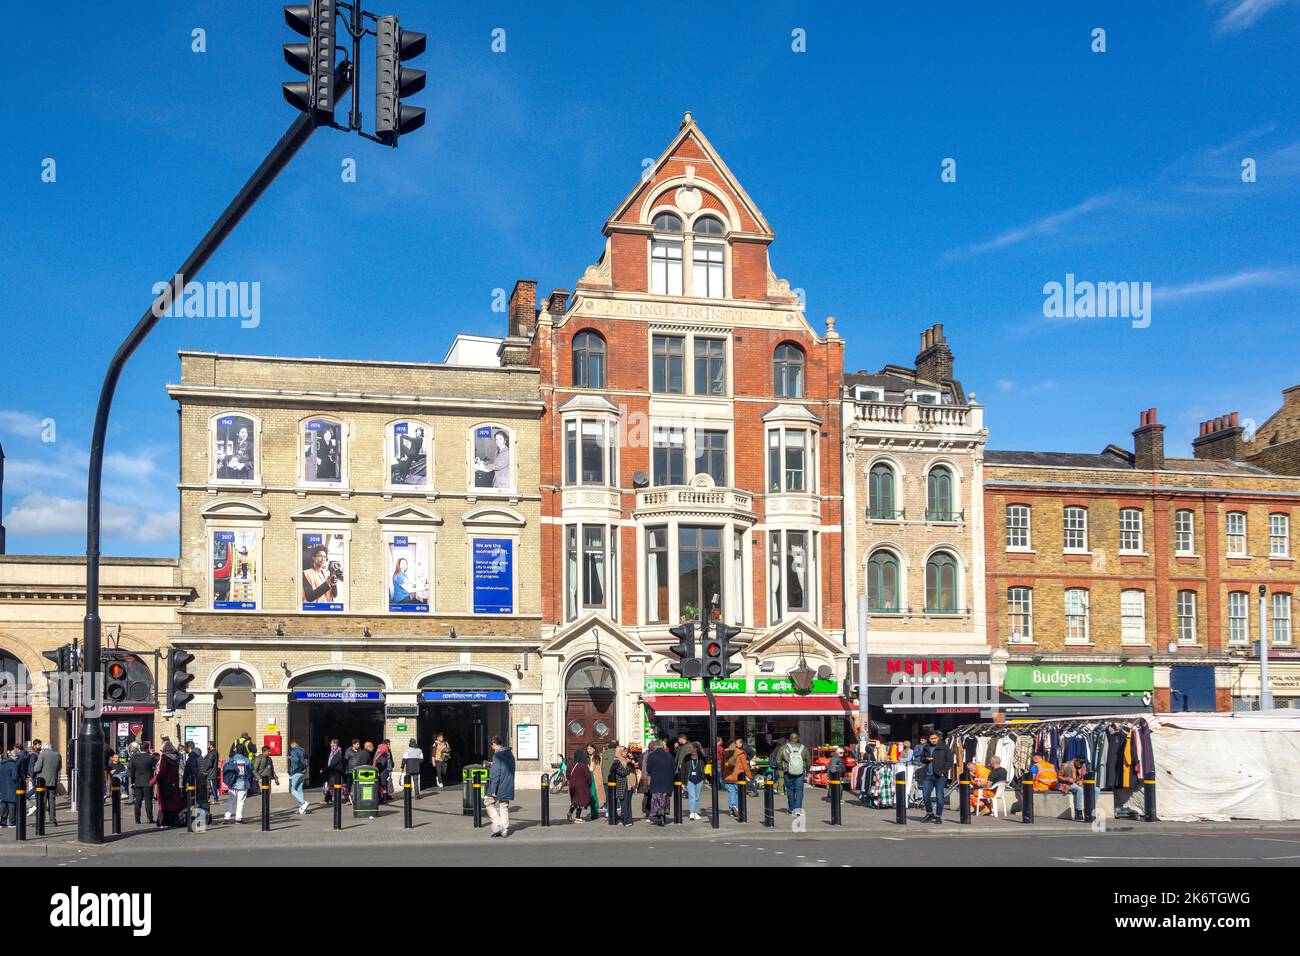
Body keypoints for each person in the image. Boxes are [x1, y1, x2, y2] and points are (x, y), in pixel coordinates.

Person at [918, 731, 952, 825]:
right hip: (928, 775)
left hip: (939, 776)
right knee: (925, 796)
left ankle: (938, 816)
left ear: (938, 738)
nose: (933, 740)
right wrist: (926, 759)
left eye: (935, 738)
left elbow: (949, 761)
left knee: (939, 797)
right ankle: (929, 813)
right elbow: (921, 759)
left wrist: (942, 772)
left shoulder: (944, 747)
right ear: (929, 739)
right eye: (931, 739)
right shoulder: (926, 747)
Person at [774, 732, 812, 816]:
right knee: (799, 791)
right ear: (797, 738)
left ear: (790, 739)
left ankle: (791, 809)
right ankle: (798, 809)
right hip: (800, 772)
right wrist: (808, 770)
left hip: (788, 772)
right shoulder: (803, 748)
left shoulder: (784, 748)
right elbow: (808, 760)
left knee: (790, 790)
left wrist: (782, 768)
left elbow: (778, 760)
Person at [484, 735, 515, 838]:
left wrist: (493, 789)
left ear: (495, 744)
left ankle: (498, 824)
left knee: (488, 802)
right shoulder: (509, 754)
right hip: (508, 784)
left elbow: (496, 773)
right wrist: (493, 764)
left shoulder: (497, 755)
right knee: (504, 806)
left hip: (499, 785)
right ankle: (505, 829)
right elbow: (504, 767)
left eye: (492, 745)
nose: (492, 747)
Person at [151, 741, 185, 829]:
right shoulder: (177, 757)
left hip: (165, 784)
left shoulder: (165, 758)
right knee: (174, 803)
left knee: (164, 804)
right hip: (175, 783)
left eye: (162, 750)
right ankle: (175, 821)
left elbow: (162, 772)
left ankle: (164, 822)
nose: (161, 752)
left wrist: (153, 780)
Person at [646, 738, 676, 826]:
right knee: (665, 799)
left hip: (656, 781)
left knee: (656, 799)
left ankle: (658, 816)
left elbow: (649, 769)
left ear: (655, 747)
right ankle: (663, 815)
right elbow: (674, 768)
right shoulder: (669, 755)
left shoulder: (651, 756)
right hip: (667, 782)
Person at [31, 741, 61, 825]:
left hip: (42, 782)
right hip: (53, 781)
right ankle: (53, 820)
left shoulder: (42, 755)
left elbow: (36, 768)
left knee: (42, 802)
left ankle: (41, 819)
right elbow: (59, 767)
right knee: (52, 801)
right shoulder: (57, 755)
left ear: (44, 748)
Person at [607, 745, 636, 826]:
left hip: (629, 784)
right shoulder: (616, 762)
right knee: (624, 804)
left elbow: (633, 770)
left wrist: (631, 761)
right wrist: (629, 765)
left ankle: (629, 820)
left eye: (626, 751)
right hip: (622, 785)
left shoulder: (627, 760)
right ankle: (626, 820)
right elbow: (622, 772)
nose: (626, 753)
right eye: (624, 751)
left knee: (628, 803)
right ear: (619, 752)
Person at [222, 748, 252, 823]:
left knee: (230, 801)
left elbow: (223, 769)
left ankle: (227, 817)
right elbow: (251, 768)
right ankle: (238, 819)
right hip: (243, 783)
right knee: (240, 802)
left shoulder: (230, 760)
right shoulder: (246, 760)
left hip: (232, 783)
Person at [722, 738, 751, 818]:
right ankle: (736, 807)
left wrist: (722, 776)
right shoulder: (740, 753)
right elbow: (745, 766)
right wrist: (749, 776)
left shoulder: (725, 753)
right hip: (738, 777)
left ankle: (732, 809)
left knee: (731, 793)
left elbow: (722, 766)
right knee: (738, 793)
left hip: (728, 776)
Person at [128, 741, 155, 825]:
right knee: (148, 801)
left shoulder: (135, 757)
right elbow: (155, 766)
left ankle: (137, 819)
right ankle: (149, 818)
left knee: (138, 801)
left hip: (138, 782)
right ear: (147, 749)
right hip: (148, 782)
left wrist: (132, 781)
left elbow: (132, 771)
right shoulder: (150, 758)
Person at [182, 742, 209, 824]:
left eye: (185, 748)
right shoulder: (201, 757)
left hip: (194, 782)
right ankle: (205, 817)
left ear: (188, 748)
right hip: (203, 782)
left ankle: (197, 820)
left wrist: (184, 782)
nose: (184, 749)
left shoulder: (191, 758)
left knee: (194, 801)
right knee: (202, 801)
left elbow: (188, 772)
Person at [681, 742, 706, 820]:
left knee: (697, 797)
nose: (689, 749)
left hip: (699, 779)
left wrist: (705, 779)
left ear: (696, 749)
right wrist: (683, 782)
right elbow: (683, 770)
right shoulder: (687, 758)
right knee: (692, 796)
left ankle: (695, 812)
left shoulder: (701, 758)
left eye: (691, 748)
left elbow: (705, 767)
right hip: (689, 779)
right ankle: (692, 812)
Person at [1057, 757, 1087, 821]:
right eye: (1078, 764)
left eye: (1081, 764)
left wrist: (1081, 781)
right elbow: (1059, 776)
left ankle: (1090, 810)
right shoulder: (1066, 765)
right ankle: (1078, 812)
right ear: (1075, 761)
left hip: (1078, 784)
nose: (1080, 766)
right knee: (1080, 790)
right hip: (1068, 784)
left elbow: (1084, 776)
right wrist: (1067, 779)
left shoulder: (1083, 766)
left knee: (1096, 789)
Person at [566, 748, 591, 823]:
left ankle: (570, 812)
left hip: (572, 785)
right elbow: (588, 776)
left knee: (575, 800)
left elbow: (567, 775)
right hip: (582, 785)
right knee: (580, 801)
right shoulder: (583, 765)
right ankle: (577, 817)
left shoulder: (570, 764)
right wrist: (589, 783)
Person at [287, 739, 309, 814]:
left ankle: (303, 803)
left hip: (296, 772)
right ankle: (302, 809)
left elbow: (296, 760)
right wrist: (305, 768)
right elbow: (306, 759)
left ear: (293, 744)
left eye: (291, 745)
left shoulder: (293, 751)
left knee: (292, 790)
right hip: (302, 773)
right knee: (300, 790)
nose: (291, 747)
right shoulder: (303, 750)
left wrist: (301, 767)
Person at [323, 739, 346, 804]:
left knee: (339, 786)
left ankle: (347, 798)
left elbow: (333, 764)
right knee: (331, 786)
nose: (330, 744)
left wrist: (325, 769)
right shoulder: (332, 752)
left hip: (336, 773)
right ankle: (327, 799)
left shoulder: (338, 754)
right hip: (333, 773)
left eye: (331, 743)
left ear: (335, 744)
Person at [0, 748, 18, 828]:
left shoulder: (2, 763)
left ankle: (2, 822)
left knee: (4, 804)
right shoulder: (14, 765)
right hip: (11, 786)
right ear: (14, 756)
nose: (17, 758)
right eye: (17, 756)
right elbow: (14, 777)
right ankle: (12, 822)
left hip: (3, 786)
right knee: (12, 804)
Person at [584, 742, 602, 815]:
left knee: (594, 794)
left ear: (594, 749)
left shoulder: (598, 757)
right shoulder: (586, 757)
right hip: (588, 776)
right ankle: (593, 811)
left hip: (595, 777)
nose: (589, 750)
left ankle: (594, 812)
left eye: (590, 748)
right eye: (588, 748)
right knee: (590, 795)